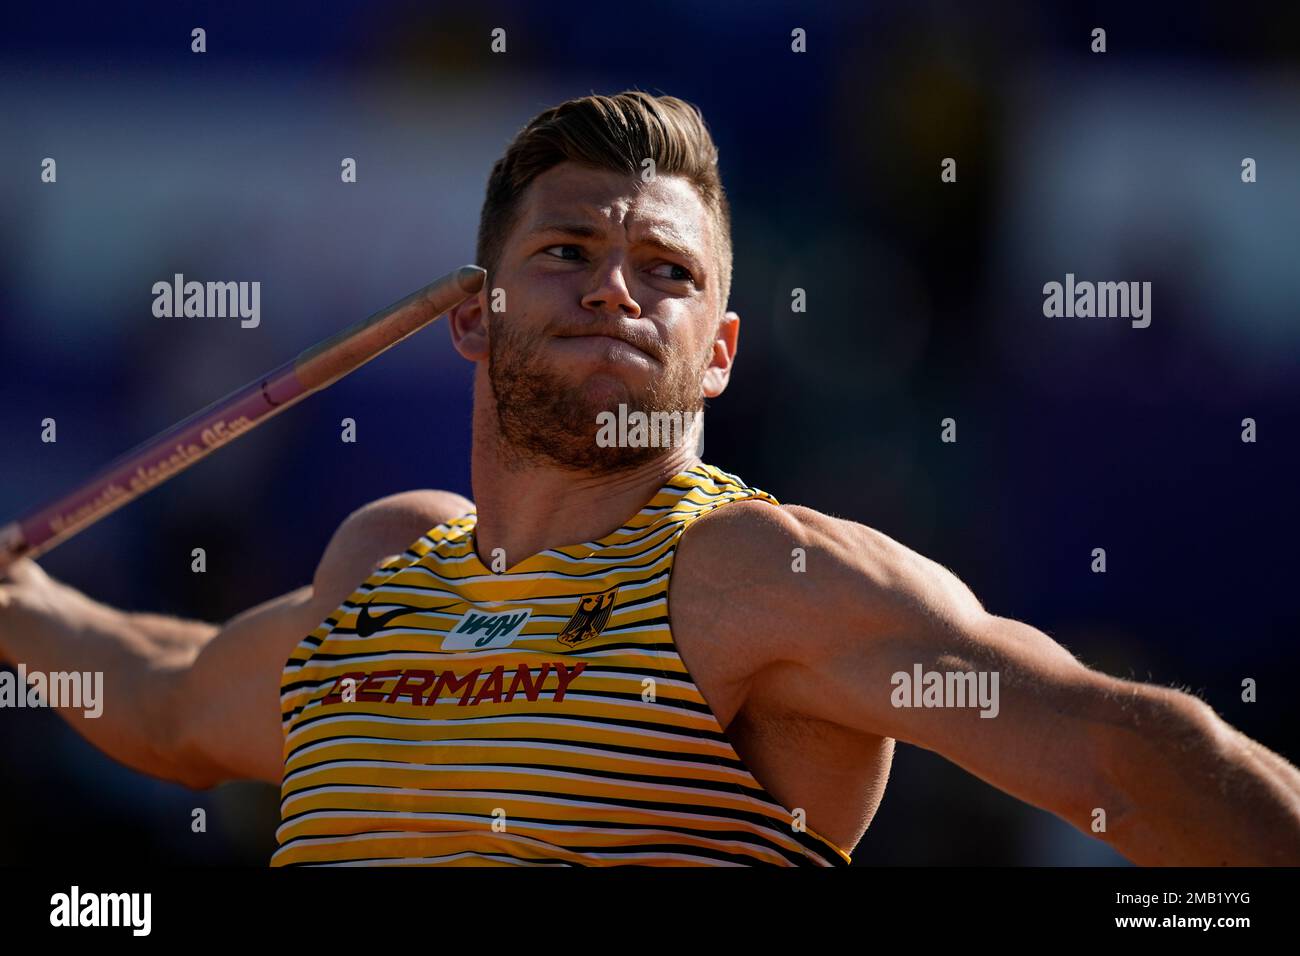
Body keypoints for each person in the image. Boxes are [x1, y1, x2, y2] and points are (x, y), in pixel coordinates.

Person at [3, 91, 1299, 866]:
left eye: (669, 272)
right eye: (568, 249)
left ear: (719, 351)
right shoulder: (385, 566)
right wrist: (15, 605)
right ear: (472, 316)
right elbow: (171, 702)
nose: (617, 287)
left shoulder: (756, 576)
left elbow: (1125, 749)